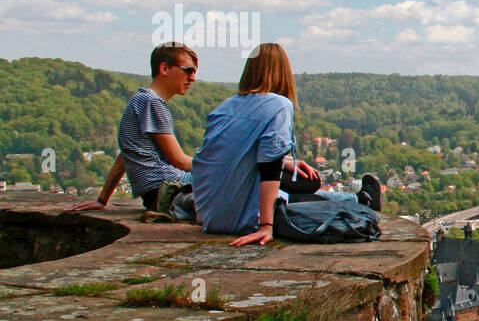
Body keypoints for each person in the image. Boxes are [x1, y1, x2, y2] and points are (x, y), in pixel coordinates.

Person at [191, 43, 380, 247]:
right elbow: (269, 167)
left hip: (210, 212)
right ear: (283, 72)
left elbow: (227, 157)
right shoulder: (278, 104)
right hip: (240, 218)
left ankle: (359, 198)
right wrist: (266, 226)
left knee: (302, 182)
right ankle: (360, 201)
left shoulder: (224, 107)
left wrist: (287, 163)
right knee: (312, 204)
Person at [68, 43, 198, 212]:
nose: (193, 78)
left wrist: (102, 199)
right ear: (164, 68)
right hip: (171, 191)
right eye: (188, 70)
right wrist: (219, 168)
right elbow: (178, 160)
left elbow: (126, 155)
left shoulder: (140, 99)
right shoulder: (153, 102)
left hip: (158, 193)